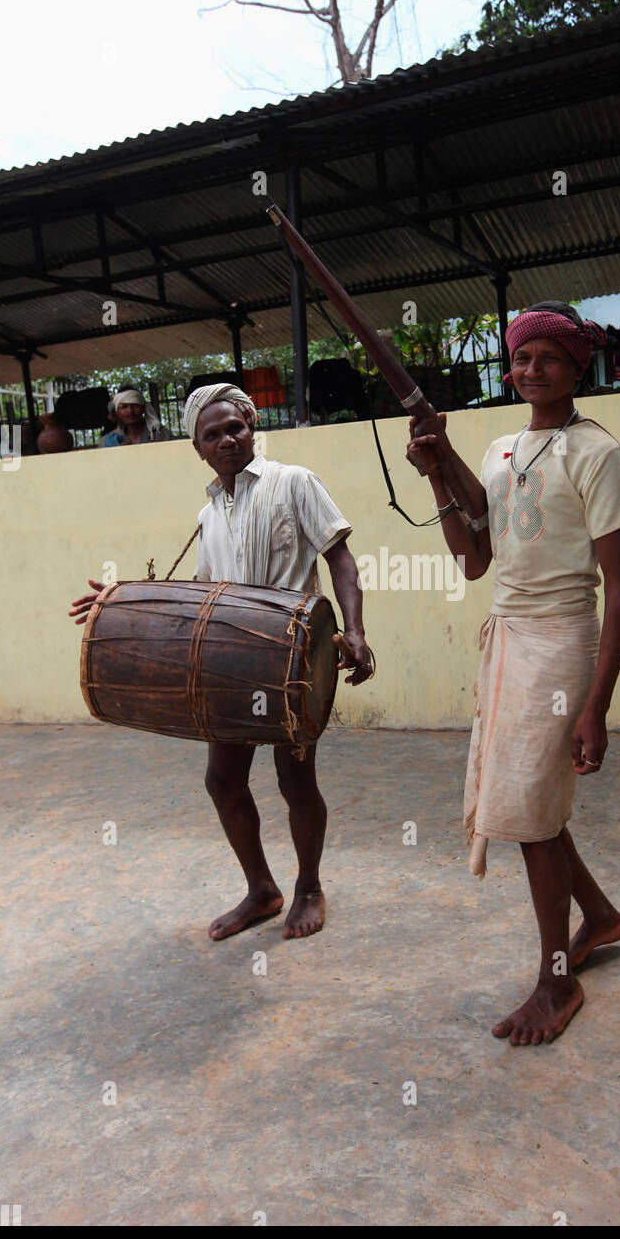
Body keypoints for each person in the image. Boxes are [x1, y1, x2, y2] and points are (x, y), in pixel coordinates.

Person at [406, 302, 620, 1047]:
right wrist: (439, 466)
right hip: (508, 639)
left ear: (578, 368)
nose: (530, 370)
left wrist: (596, 705)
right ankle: (598, 917)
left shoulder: (598, 453)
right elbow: (476, 552)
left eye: (548, 358)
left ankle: (556, 980)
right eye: (521, 358)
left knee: (531, 818)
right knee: (535, 805)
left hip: (561, 642)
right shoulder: (504, 448)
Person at [71, 383, 374, 942]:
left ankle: (308, 886)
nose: (227, 440)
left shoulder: (295, 483)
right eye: (212, 435)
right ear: (199, 449)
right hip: (231, 667)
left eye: (234, 427)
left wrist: (354, 631)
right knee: (222, 780)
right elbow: (199, 600)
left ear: (251, 426)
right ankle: (261, 889)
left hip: (289, 660)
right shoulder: (207, 515)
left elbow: (342, 561)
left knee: (295, 779)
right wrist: (118, 605)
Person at [99, 387, 172, 446]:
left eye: (135, 405)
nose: (130, 411)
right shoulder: (107, 441)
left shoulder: (161, 435)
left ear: (143, 408)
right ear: (117, 412)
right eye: (124, 407)